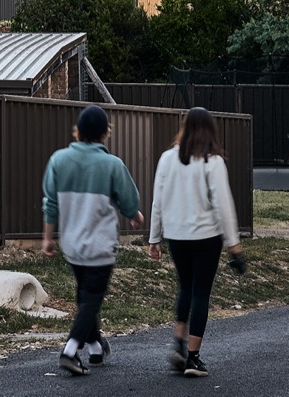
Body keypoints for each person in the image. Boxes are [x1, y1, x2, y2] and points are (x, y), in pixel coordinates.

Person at [42, 104, 144, 377]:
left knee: (85, 296)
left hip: (72, 244)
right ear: (104, 132)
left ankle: (96, 347)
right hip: (100, 244)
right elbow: (129, 200)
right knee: (92, 299)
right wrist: (134, 215)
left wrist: (48, 238)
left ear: (78, 130)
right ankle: (70, 351)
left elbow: (50, 203)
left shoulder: (58, 160)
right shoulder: (112, 164)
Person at [147, 107, 243, 378]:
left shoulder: (167, 158)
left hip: (177, 236)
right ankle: (193, 358)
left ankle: (178, 343)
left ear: (184, 127)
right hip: (207, 237)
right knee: (201, 293)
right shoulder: (213, 161)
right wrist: (234, 245)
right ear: (211, 130)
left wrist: (154, 238)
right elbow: (223, 204)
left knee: (185, 287)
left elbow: (157, 200)